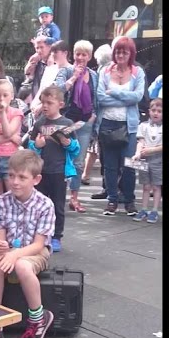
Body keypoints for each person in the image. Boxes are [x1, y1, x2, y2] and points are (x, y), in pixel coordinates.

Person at [0, 149, 57, 338]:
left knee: (23, 266)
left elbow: (39, 245)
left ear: (36, 179)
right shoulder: (1, 202)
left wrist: (15, 254)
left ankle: (37, 319)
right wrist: (1, 246)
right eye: (11, 176)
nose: (15, 182)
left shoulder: (45, 205)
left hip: (34, 252)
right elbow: (0, 239)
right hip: (10, 251)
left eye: (22, 177)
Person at [94, 36, 146, 216]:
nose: (120, 54)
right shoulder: (105, 71)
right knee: (109, 166)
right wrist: (125, 98)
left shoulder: (137, 72)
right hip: (107, 123)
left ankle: (129, 200)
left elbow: (138, 96)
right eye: (117, 50)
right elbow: (100, 97)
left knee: (130, 165)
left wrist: (114, 92)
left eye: (124, 51)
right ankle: (112, 200)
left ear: (131, 53)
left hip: (129, 126)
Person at [26, 85, 78, 253]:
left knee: (58, 205)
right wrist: (38, 145)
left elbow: (75, 149)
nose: (45, 106)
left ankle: (56, 236)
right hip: (41, 172)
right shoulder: (40, 123)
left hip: (59, 171)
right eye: (43, 102)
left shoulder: (67, 124)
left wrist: (68, 143)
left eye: (49, 102)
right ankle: (38, 235)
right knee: (38, 204)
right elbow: (31, 147)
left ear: (60, 104)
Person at [55, 40, 99, 213]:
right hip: (67, 121)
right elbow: (57, 90)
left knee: (79, 162)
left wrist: (93, 116)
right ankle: (59, 196)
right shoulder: (65, 70)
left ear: (89, 57)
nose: (80, 57)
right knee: (62, 159)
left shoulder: (93, 75)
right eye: (77, 54)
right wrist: (73, 77)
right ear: (73, 55)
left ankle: (74, 198)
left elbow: (96, 98)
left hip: (85, 123)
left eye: (84, 54)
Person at [0, 79, 23, 206]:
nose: (0, 99)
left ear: (12, 96)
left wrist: (2, 115)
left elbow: (8, 132)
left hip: (10, 158)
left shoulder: (16, 113)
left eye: (5, 95)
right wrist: (12, 137)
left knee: (12, 193)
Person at [83, 43, 112, 191]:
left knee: (96, 150)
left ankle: (90, 177)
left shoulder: (100, 71)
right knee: (98, 151)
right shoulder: (102, 71)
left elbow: (100, 95)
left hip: (100, 117)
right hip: (99, 117)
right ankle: (106, 185)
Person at [133, 97, 162, 223]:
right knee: (146, 186)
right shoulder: (143, 126)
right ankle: (143, 209)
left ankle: (154, 210)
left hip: (158, 161)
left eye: (159, 111)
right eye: (154, 110)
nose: (156, 113)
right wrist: (137, 153)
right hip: (145, 161)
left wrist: (152, 150)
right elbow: (141, 141)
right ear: (149, 111)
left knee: (156, 187)